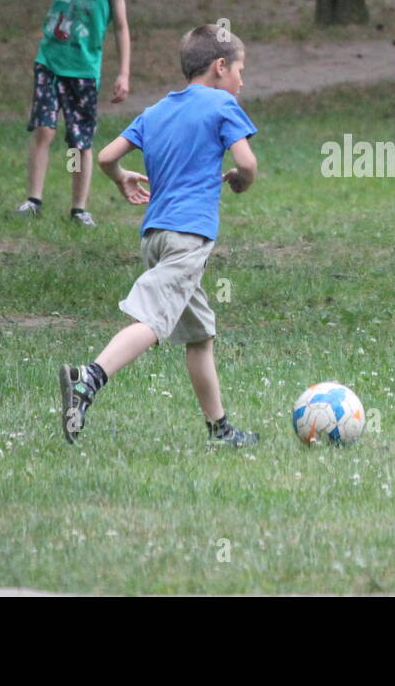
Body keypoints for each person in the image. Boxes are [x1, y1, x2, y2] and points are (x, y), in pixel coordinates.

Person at [59, 24, 259, 448]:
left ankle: (220, 430)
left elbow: (109, 155)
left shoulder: (156, 111)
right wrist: (242, 180)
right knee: (151, 320)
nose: (242, 80)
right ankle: (88, 378)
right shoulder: (223, 104)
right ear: (220, 67)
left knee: (200, 336)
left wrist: (121, 179)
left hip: (155, 236)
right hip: (189, 237)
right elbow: (247, 162)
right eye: (241, 70)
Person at [17, 0, 130, 226]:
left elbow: (120, 27)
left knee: (80, 140)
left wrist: (123, 73)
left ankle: (79, 208)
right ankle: (33, 200)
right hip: (49, 61)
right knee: (44, 128)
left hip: (83, 70)